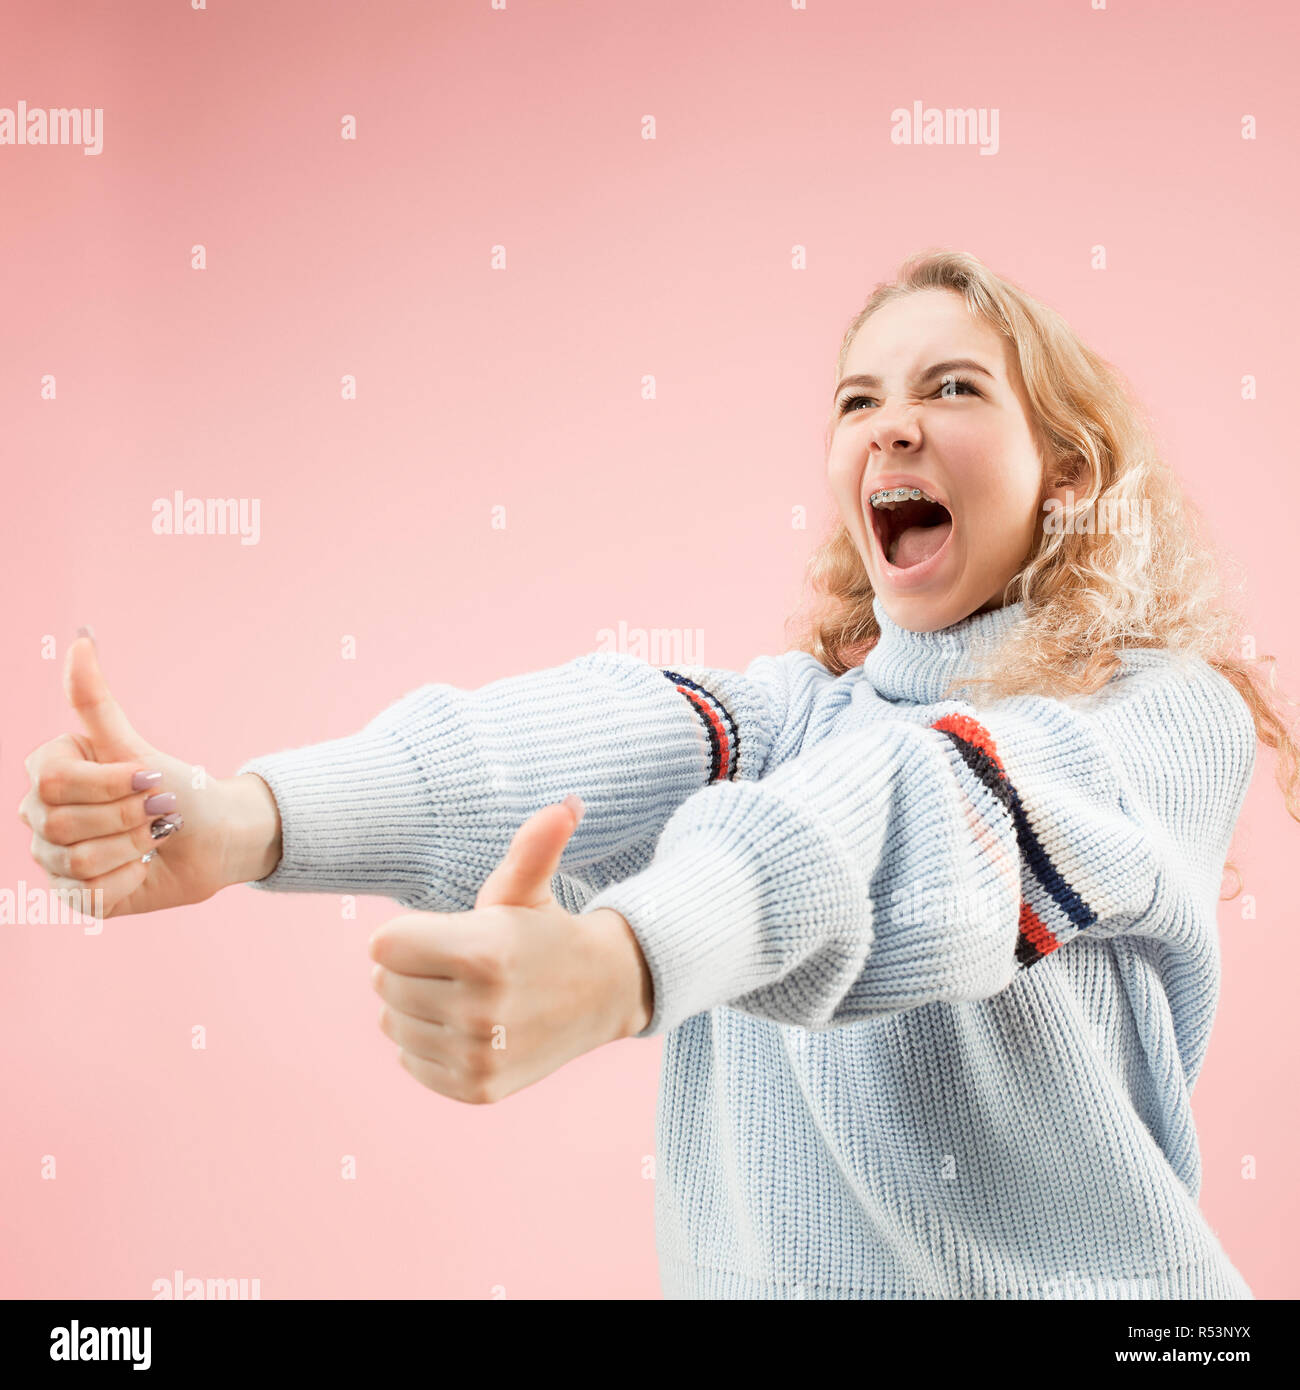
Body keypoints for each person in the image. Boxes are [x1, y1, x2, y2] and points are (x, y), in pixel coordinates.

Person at [20, 248, 1298, 1300]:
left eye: (952, 387)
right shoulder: (797, 713)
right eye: (856, 400)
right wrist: (248, 821)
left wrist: (623, 959)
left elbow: (932, 818)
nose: (889, 423)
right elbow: (587, 734)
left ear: (1066, 474)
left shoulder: (1159, 714)